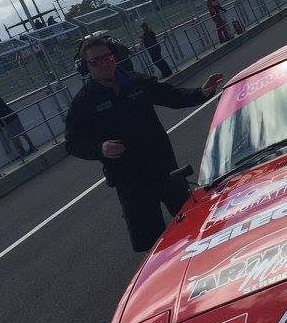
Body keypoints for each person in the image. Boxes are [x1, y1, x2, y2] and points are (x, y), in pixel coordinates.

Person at [65, 35, 221, 252]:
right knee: (154, 247)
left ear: (114, 57)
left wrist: (201, 93)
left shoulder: (136, 82)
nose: (104, 64)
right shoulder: (84, 102)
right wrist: (100, 148)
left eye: (107, 57)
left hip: (165, 170)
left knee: (197, 226)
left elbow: (172, 96)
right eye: (95, 61)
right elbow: (72, 142)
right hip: (130, 183)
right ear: (85, 67)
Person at [0, 88, 35, 156]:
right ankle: (31, 146)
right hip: (12, 116)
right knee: (22, 132)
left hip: (6, 120)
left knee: (14, 137)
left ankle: (22, 151)